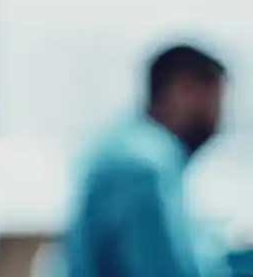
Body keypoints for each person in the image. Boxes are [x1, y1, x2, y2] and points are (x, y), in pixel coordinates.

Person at [63, 44, 229, 277]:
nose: (219, 120)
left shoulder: (126, 141)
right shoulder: (143, 166)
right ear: (184, 89)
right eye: (216, 101)